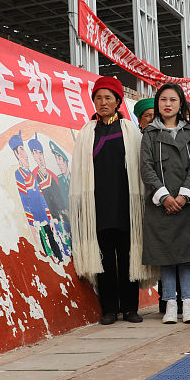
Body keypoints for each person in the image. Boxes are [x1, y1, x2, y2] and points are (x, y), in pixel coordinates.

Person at [70, 77, 152, 325]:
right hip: (98, 205)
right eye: (98, 98)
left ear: (118, 101)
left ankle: (130, 308)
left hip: (127, 203)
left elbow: (140, 167)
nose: (103, 102)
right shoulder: (87, 132)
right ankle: (108, 309)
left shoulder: (130, 131)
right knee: (104, 256)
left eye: (108, 98)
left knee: (128, 255)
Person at [141, 83, 190, 324]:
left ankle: (188, 303)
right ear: (157, 103)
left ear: (181, 104)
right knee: (165, 257)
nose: (167, 104)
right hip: (160, 205)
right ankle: (170, 304)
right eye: (163, 100)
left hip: (186, 204)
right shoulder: (150, 133)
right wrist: (164, 196)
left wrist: (183, 195)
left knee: (186, 256)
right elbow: (146, 168)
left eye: (173, 99)